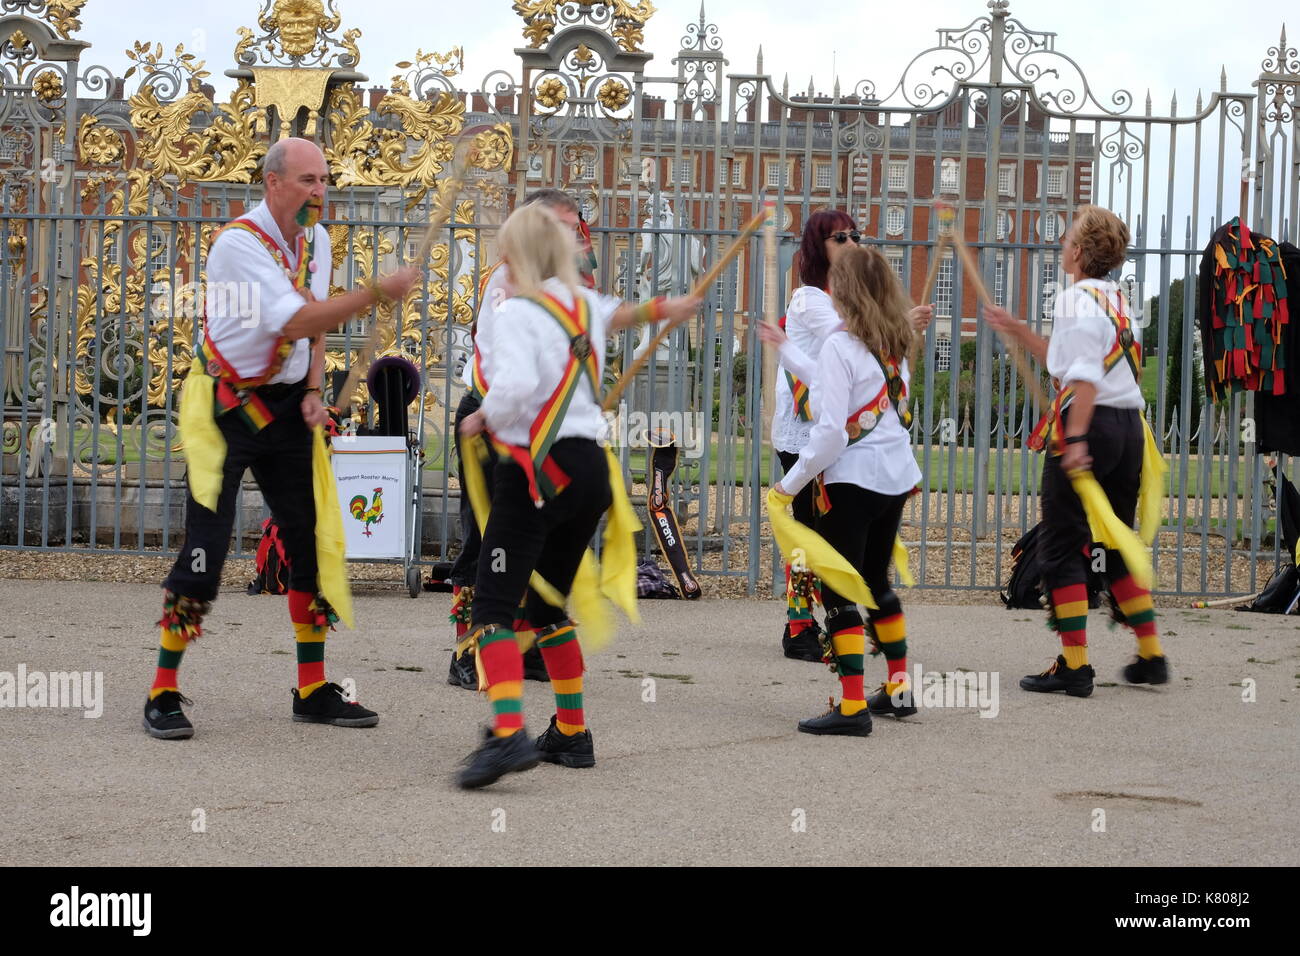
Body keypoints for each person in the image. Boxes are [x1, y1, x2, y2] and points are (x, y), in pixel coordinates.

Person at [143, 137, 420, 739]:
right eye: (307, 181)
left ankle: (314, 688)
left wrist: (317, 389)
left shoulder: (315, 239)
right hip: (227, 408)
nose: (320, 192)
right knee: (205, 552)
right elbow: (294, 320)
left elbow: (312, 324)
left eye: (324, 180)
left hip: (291, 408)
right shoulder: (238, 246)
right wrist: (375, 293)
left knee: (313, 539)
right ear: (273, 183)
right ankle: (163, 691)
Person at [454, 203, 700, 787]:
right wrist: (670, 306)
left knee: (494, 604)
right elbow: (623, 315)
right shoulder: (581, 302)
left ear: (517, 259)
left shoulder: (516, 313)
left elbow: (513, 389)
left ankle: (508, 734)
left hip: (536, 469)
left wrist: (482, 418)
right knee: (546, 608)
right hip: (590, 470)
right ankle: (571, 731)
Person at [986, 204, 1168, 697]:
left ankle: (1075, 665)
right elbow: (1069, 361)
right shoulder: (1116, 300)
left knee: (1061, 546)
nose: (1062, 244)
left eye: (1067, 239)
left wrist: (1078, 439)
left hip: (1090, 423)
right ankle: (1150, 653)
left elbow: (1083, 376)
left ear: (1081, 252)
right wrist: (1019, 333)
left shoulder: (1072, 299)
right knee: (1113, 544)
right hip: (1128, 430)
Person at [760, 245, 922, 735]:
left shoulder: (840, 345)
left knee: (838, 589)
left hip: (850, 483)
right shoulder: (892, 345)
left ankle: (852, 706)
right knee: (875, 583)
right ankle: (898, 689)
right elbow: (838, 385)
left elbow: (830, 434)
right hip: (894, 480)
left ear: (843, 292)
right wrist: (785, 347)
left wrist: (787, 487)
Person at [447, 189, 594, 690]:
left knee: (541, 539)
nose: (568, 237)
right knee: (487, 538)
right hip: (495, 420)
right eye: (558, 226)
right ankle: (469, 649)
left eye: (574, 228)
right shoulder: (509, 283)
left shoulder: (567, 292)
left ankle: (526, 644)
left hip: (542, 426)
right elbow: (500, 366)